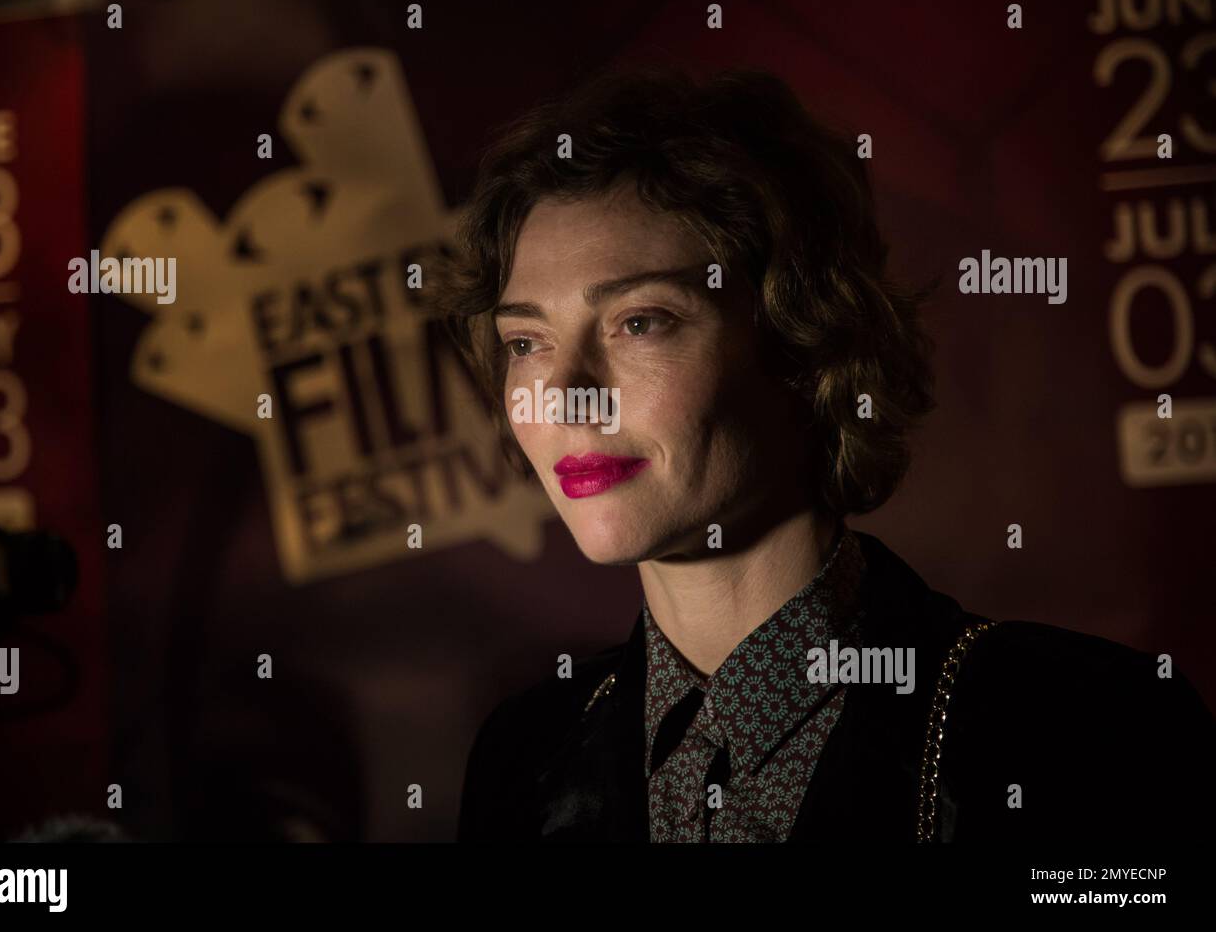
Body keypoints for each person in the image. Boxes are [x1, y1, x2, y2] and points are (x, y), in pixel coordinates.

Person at [440, 66, 1216, 842]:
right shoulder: (521, 757)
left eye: (639, 322)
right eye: (526, 342)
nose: (564, 394)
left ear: (804, 343)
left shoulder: (1085, 726)